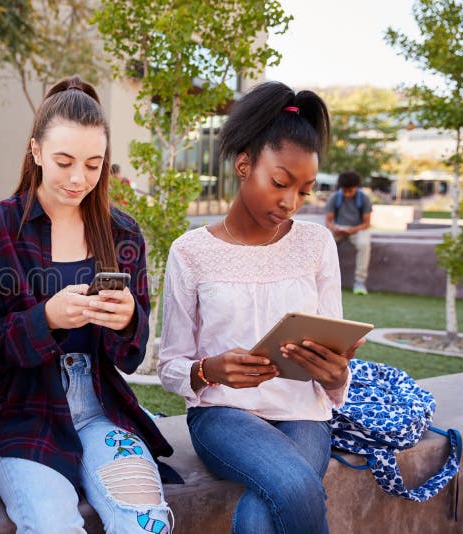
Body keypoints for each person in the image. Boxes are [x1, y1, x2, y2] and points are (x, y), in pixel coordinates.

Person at [158, 81, 365, 534]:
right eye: (279, 183)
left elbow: (335, 346)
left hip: (302, 414)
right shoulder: (190, 252)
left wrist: (334, 373)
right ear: (244, 164)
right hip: (222, 416)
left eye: (305, 191)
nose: (290, 203)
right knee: (294, 483)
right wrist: (207, 370)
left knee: (260, 515)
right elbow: (170, 363)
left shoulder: (316, 244)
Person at [0, 76, 174, 533]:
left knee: (146, 525)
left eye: (93, 164)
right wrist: (44, 319)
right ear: (37, 151)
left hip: (103, 408)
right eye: (64, 161)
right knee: (52, 525)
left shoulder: (122, 233)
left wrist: (128, 321)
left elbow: (133, 354)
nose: (78, 178)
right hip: (26, 414)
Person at [325, 171, 372, 295]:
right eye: (344, 191)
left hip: (358, 229)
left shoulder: (364, 198)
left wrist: (353, 230)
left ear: (356, 187)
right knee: (324, 241)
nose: (347, 194)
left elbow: (367, 223)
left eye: (350, 191)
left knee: (364, 244)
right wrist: (334, 228)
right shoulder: (334, 197)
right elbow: (328, 221)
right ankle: (325, 279)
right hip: (339, 228)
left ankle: (359, 281)